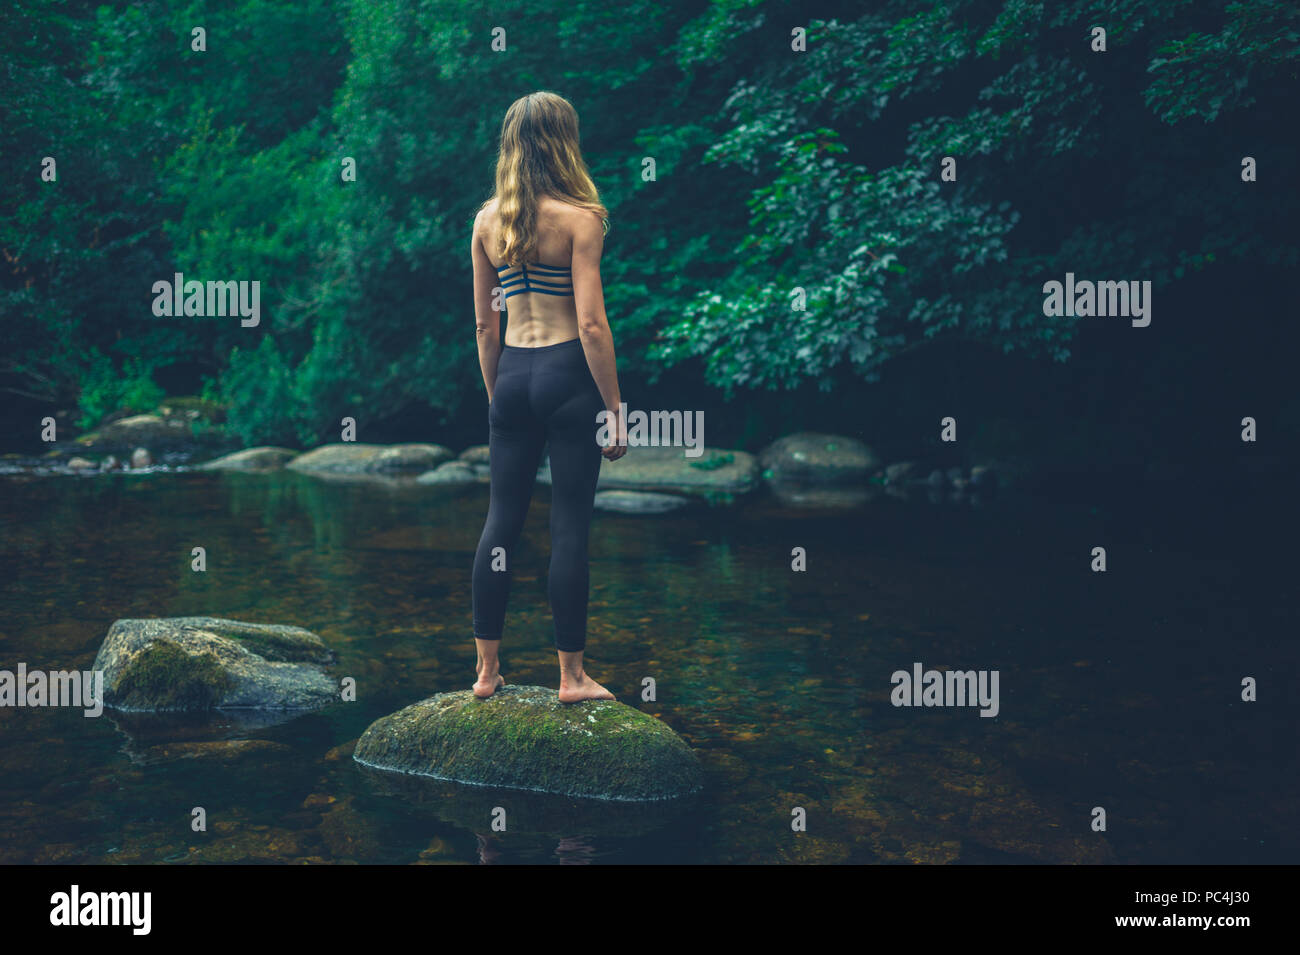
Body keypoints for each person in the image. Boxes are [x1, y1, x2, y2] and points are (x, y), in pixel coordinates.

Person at [468, 91, 627, 703]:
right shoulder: (581, 218)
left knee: (500, 523)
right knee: (569, 530)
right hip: (567, 377)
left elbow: (485, 326)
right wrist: (614, 411)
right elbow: (591, 326)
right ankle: (571, 678)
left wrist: (499, 398)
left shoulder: (487, 221)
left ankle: (486, 674)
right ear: (566, 141)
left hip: (513, 374)